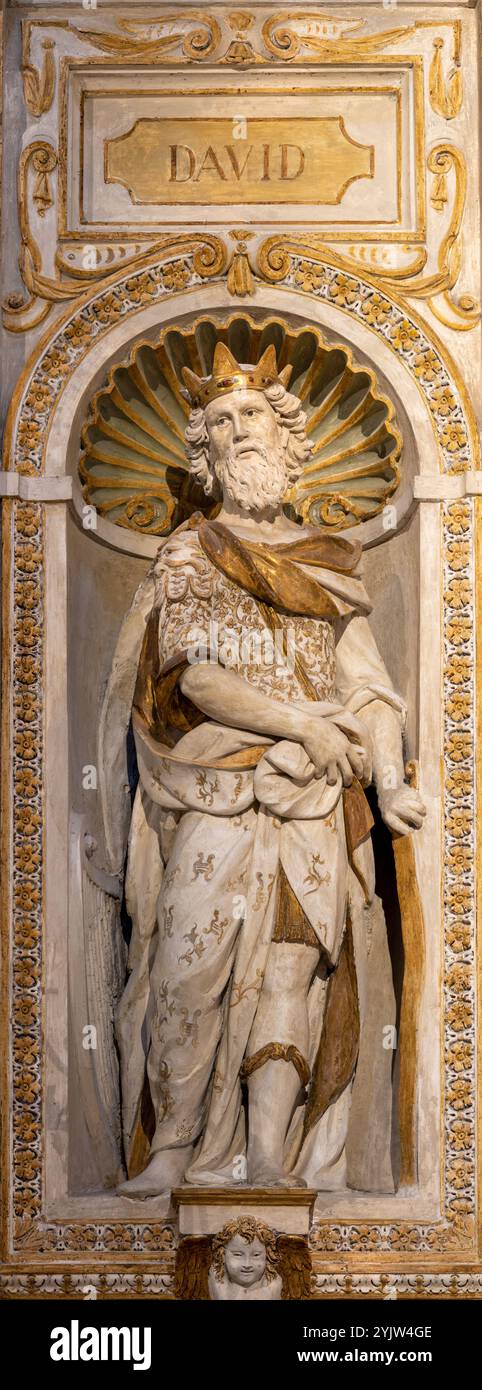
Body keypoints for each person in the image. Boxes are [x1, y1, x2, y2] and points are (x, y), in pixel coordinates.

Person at [100, 342, 425, 1198]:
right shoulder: (190, 554)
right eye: (223, 423)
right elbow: (192, 677)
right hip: (213, 787)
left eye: (255, 418)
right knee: (188, 963)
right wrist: (300, 726)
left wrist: (388, 781)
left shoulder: (331, 565)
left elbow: (372, 693)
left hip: (315, 803)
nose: (242, 432)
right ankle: (174, 1148)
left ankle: (271, 1159)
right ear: (203, 454)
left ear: (289, 443)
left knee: (291, 969)